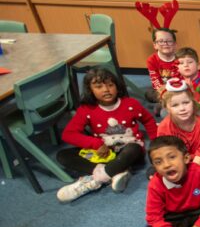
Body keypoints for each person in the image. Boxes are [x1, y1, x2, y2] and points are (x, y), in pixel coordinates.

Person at [56, 68, 156, 203]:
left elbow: (149, 121)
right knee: (63, 155)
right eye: (99, 87)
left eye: (110, 85)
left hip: (130, 152)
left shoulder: (130, 104)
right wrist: (96, 144)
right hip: (105, 154)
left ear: (117, 86)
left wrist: (156, 144)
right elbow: (68, 134)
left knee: (134, 148)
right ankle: (115, 171)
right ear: (90, 90)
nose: (106, 90)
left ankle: (94, 181)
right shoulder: (87, 109)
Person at [156, 79, 200, 178]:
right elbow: (166, 153)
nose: (182, 108)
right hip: (176, 162)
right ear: (167, 108)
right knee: (154, 171)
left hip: (198, 161)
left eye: (186, 102)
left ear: (193, 102)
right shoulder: (164, 127)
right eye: (175, 105)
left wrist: (190, 173)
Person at [144, 27, 179, 105]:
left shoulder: (180, 58)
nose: (165, 44)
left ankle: (168, 102)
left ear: (175, 44)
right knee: (149, 94)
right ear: (155, 45)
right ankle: (166, 102)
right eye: (161, 41)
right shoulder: (151, 60)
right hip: (163, 87)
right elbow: (155, 80)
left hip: (179, 86)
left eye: (169, 41)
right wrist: (164, 91)